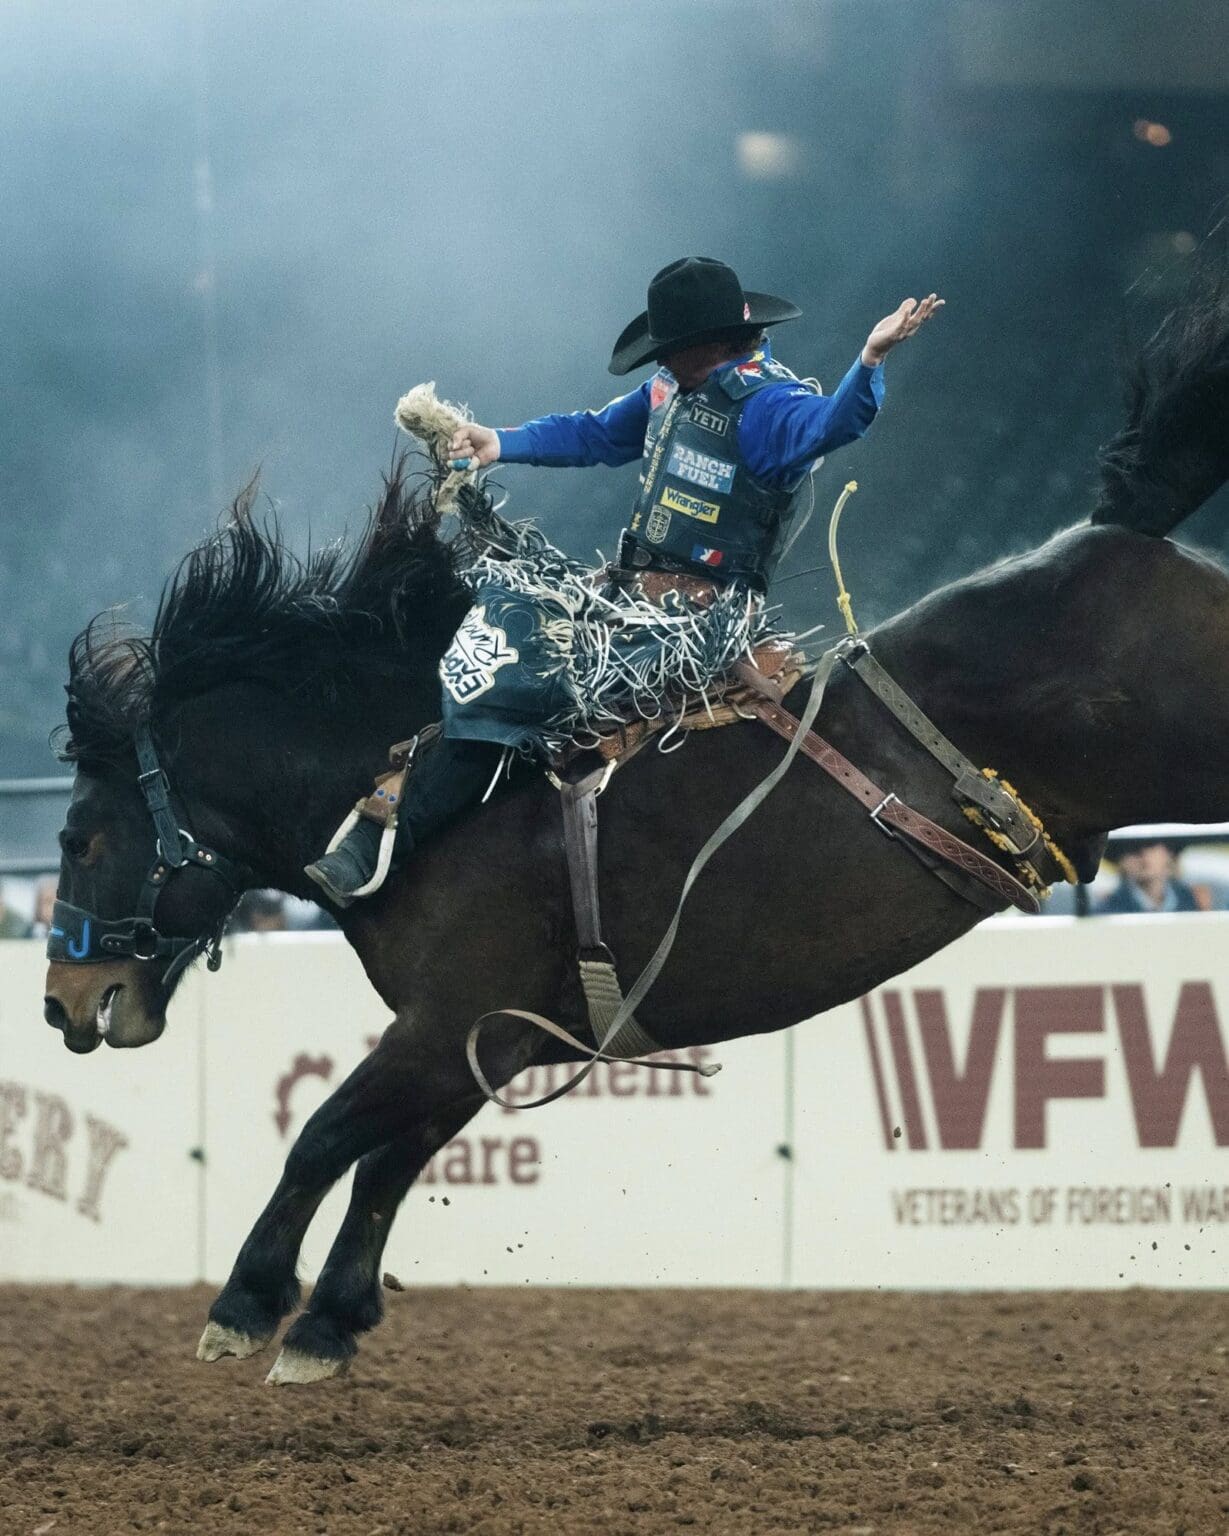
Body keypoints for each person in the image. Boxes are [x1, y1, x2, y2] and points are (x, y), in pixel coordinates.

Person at [307, 257, 944, 906]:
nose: (661, 363)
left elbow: (831, 425)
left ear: (714, 342)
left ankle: (388, 839)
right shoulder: (672, 391)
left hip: (700, 622)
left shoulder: (767, 406)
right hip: (629, 595)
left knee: (520, 671)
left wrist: (866, 364)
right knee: (484, 625)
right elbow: (599, 434)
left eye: (670, 350)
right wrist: (500, 442)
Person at [1096, 838, 1204, 915]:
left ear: (1169, 853)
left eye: (1151, 846)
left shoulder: (1187, 898)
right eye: (1133, 849)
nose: (1144, 857)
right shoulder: (1108, 909)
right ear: (1121, 861)